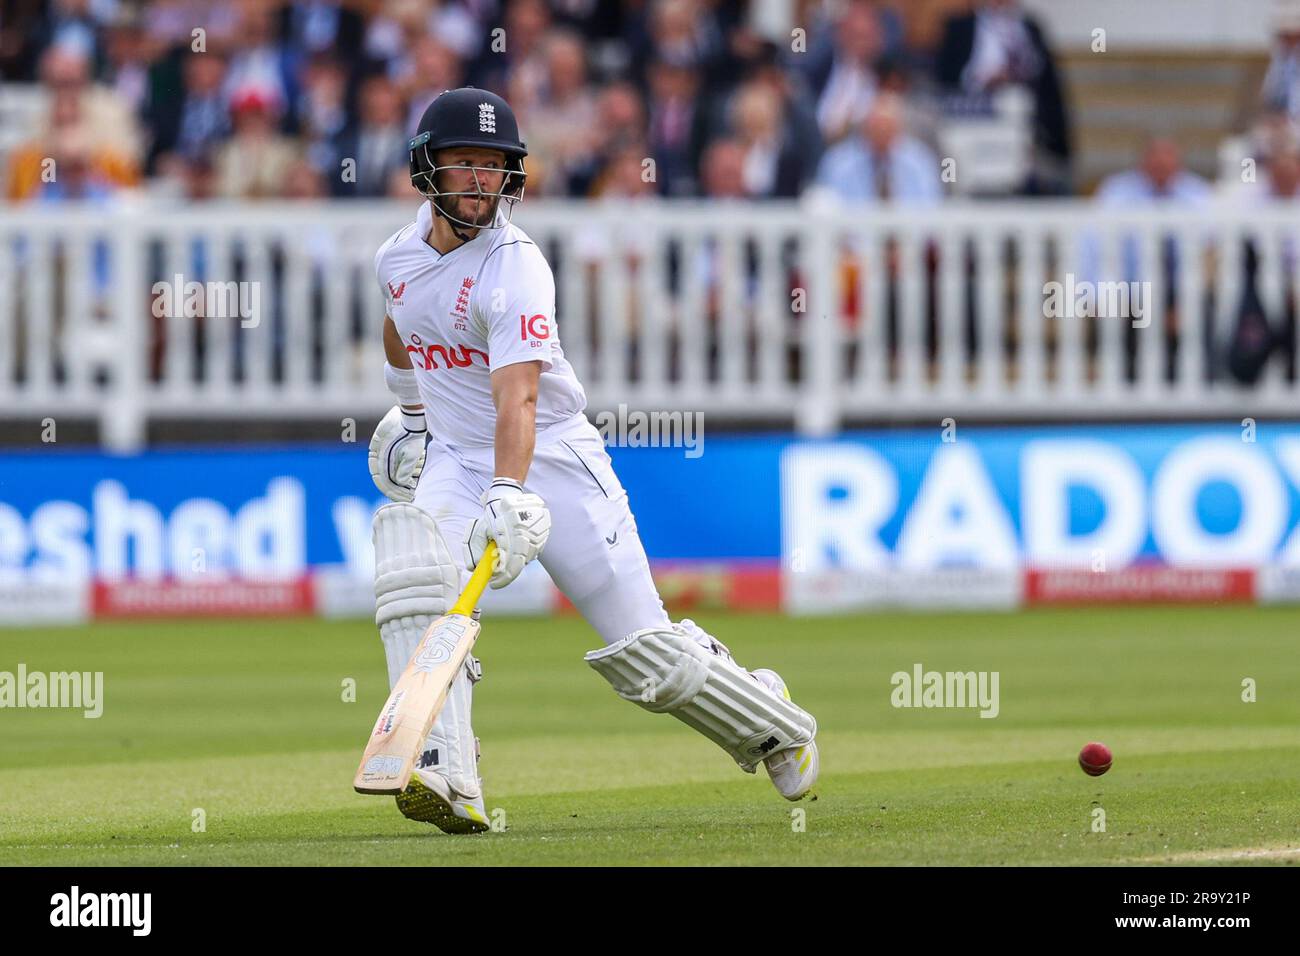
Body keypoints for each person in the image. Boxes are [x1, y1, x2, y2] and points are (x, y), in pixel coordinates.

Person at [367, 87, 819, 832]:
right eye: (463, 164)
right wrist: (413, 414)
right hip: (454, 457)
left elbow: (521, 398)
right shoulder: (397, 257)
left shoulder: (515, 266)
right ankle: (448, 771)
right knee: (416, 579)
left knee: (646, 654)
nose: (479, 181)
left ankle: (774, 720)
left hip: (551, 457)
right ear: (427, 170)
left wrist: (509, 493)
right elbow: (400, 328)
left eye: (493, 166)